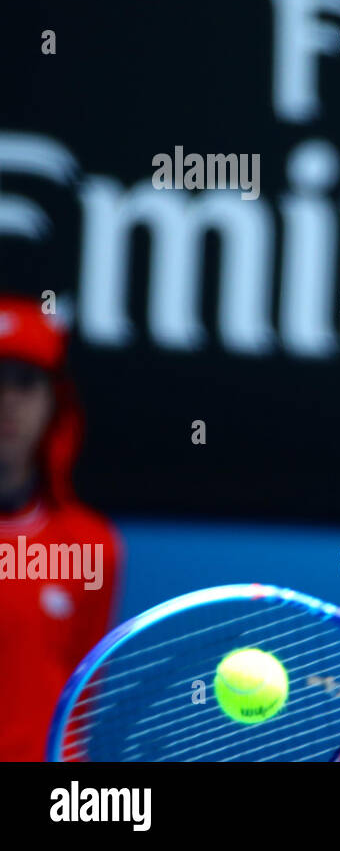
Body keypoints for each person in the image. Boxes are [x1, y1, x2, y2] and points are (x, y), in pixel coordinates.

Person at [0, 295, 122, 761]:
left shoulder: (93, 546)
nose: (7, 402)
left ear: (55, 402)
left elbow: (80, 701)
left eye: (25, 383)